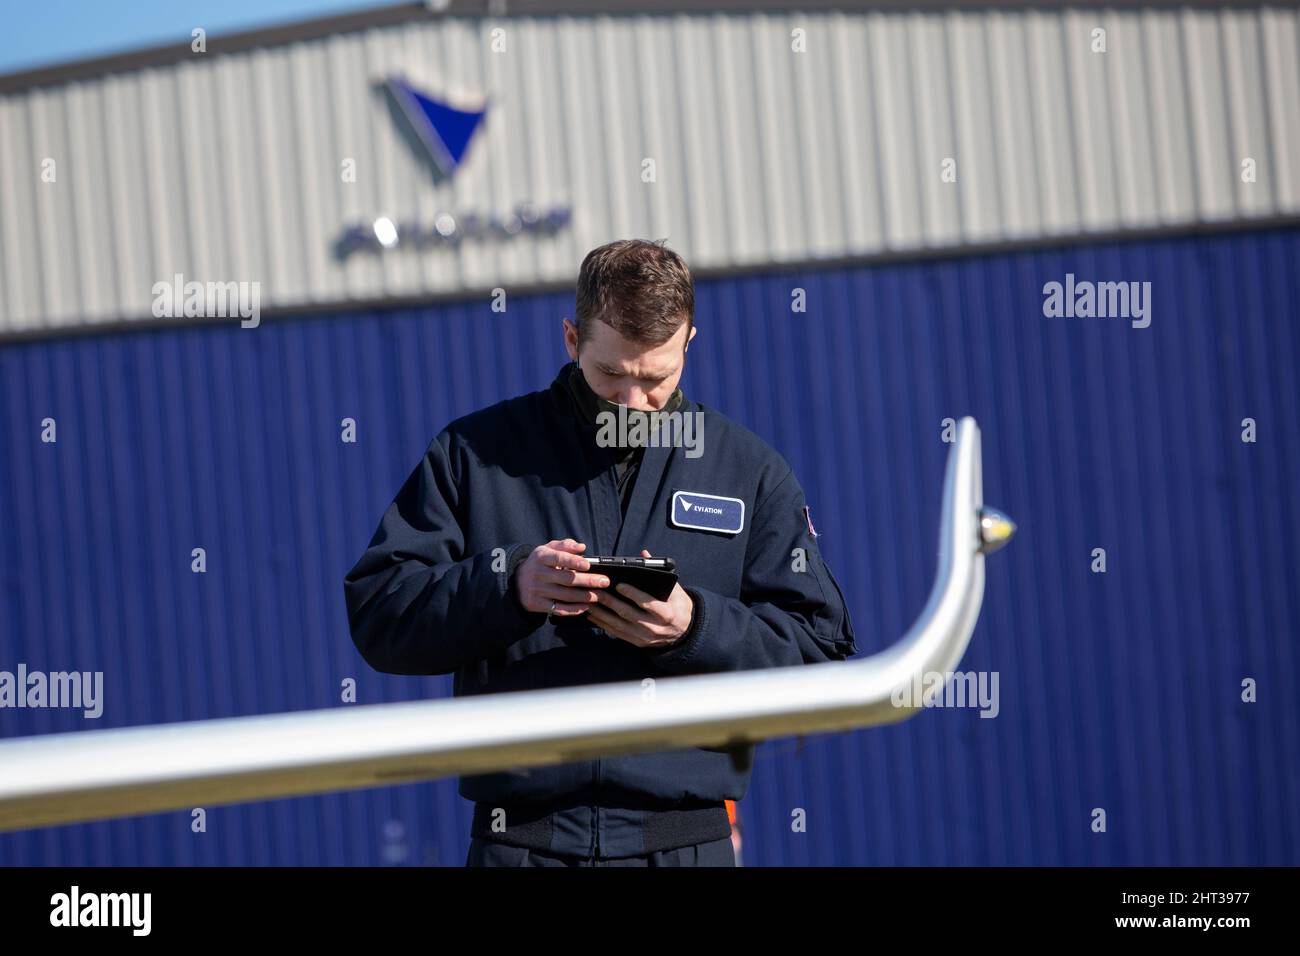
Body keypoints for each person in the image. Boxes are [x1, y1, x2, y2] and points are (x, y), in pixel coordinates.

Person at [343, 238, 857, 867]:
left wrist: (694, 628)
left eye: (656, 379)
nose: (634, 405)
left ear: (690, 342)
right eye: (611, 375)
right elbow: (379, 614)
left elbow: (821, 656)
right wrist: (509, 587)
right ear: (571, 340)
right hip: (521, 846)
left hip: (684, 847)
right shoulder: (475, 455)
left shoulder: (747, 472)